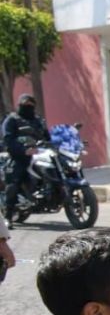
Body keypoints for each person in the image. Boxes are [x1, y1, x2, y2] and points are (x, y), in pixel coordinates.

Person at [3, 93, 47, 223]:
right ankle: (8, 215)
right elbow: (8, 140)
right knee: (14, 182)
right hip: (20, 157)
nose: (28, 107)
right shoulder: (12, 120)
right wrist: (24, 150)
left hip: (39, 155)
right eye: (25, 105)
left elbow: (47, 136)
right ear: (20, 105)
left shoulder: (38, 120)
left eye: (31, 105)